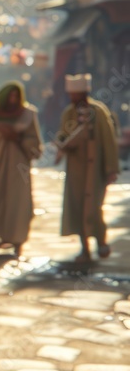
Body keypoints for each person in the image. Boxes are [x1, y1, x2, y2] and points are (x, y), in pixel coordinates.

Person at [54, 74, 120, 263]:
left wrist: (111, 168)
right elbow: (62, 134)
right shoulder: (69, 113)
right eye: (72, 96)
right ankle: (85, 249)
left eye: (78, 95)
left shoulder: (98, 112)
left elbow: (108, 141)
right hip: (76, 170)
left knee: (94, 208)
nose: (75, 99)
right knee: (77, 208)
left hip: (96, 170)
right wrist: (61, 143)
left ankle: (101, 242)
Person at [0, 82, 43, 257]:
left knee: (19, 202)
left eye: (16, 96)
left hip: (19, 164)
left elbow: (35, 142)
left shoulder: (27, 114)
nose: (13, 100)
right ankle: (3, 236)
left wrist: (17, 137)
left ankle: (19, 240)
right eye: (10, 96)